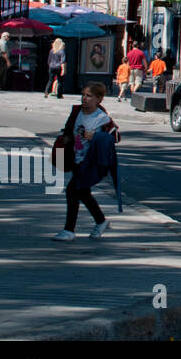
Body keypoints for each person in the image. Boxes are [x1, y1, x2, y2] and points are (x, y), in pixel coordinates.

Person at [53, 82, 120, 241]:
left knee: (72, 192)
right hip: (75, 159)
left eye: (89, 96)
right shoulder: (77, 112)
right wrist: (65, 138)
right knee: (82, 193)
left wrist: (95, 137)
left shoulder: (102, 118)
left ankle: (69, 230)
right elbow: (69, 129)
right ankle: (101, 221)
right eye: (83, 94)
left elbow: (115, 137)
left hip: (90, 162)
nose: (84, 98)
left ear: (99, 99)